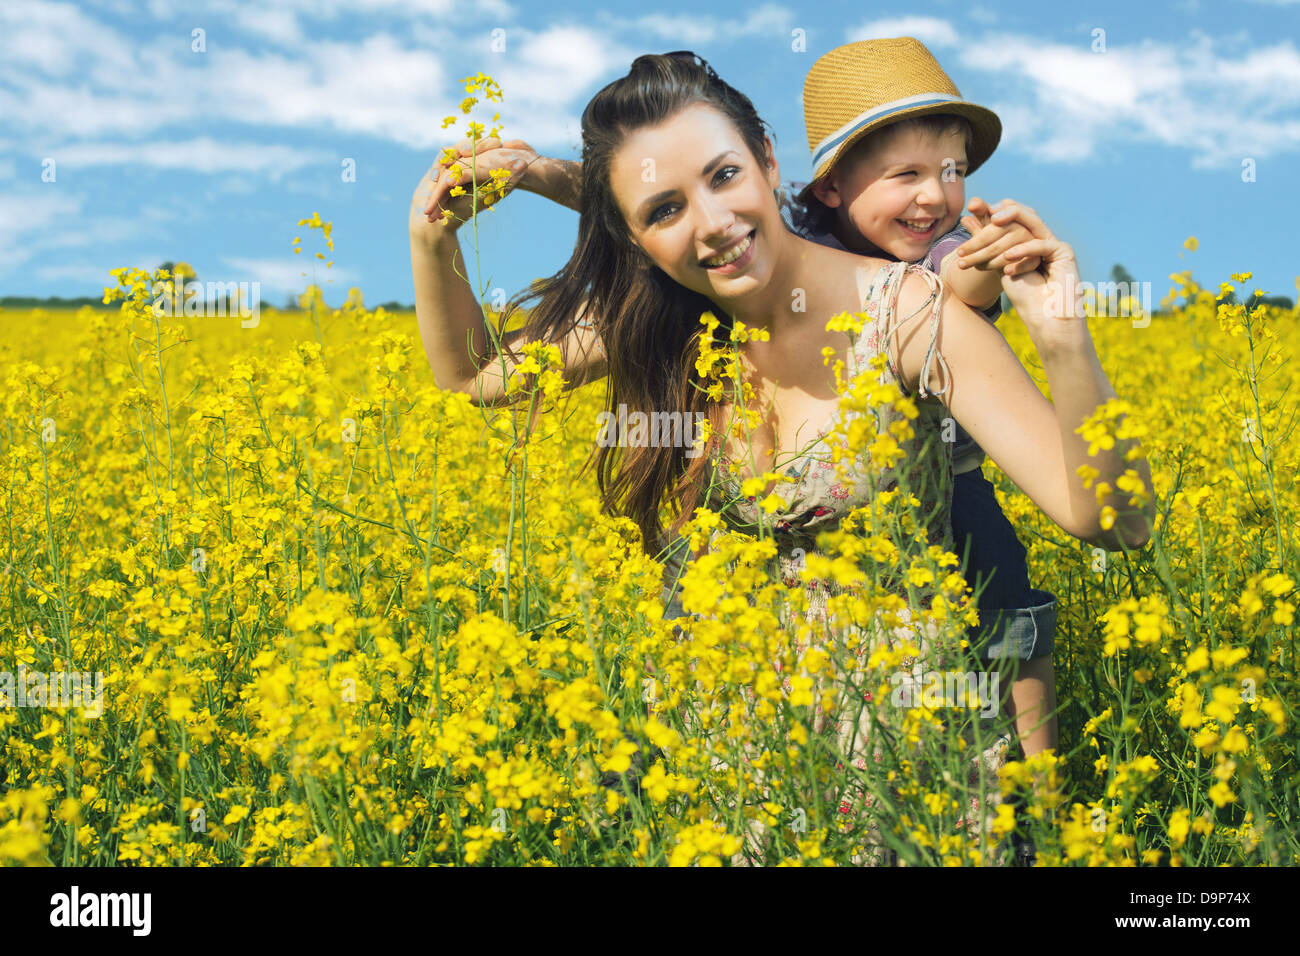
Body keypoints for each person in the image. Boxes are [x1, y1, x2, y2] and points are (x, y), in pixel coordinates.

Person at [409, 51, 1154, 863]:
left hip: (900, 770)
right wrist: (432, 238)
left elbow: (1111, 522)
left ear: (767, 160)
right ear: (634, 236)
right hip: (724, 766)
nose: (714, 222)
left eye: (724, 175)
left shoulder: (907, 315)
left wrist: (1062, 336)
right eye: (664, 210)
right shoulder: (659, 319)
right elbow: (475, 374)